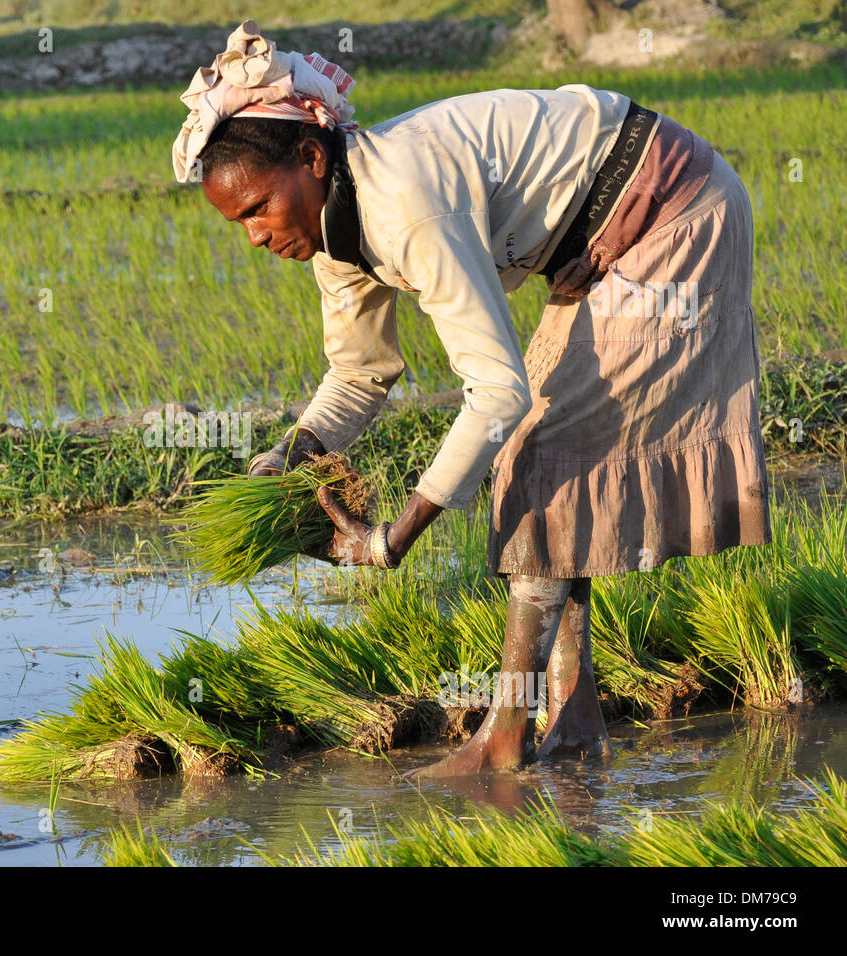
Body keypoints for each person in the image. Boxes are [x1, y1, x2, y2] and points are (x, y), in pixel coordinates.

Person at [171, 20, 771, 776]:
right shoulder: (337, 231)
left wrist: (393, 537)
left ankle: (505, 737)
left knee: (535, 457)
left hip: (671, 215)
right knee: (555, 470)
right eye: (239, 224)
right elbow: (360, 373)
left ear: (312, 157)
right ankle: (577, 727)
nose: (255, 237)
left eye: (257, 207)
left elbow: (496, 394)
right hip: (600, 244)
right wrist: (292, 455)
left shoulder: (405, 203)